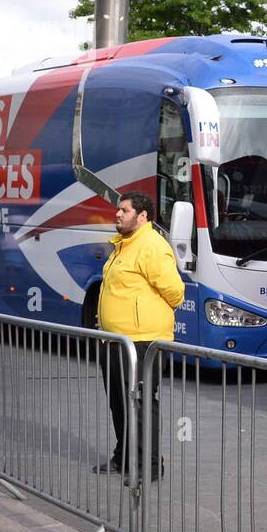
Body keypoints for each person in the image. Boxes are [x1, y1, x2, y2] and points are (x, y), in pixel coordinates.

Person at [93, 191, 185, 481]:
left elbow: (176, 292)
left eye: (125, 210)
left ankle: (149, 466)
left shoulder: (152, 246)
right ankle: (124, 457)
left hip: (143, 342)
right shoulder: (124, 245)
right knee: (119, 403)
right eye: (118, 210)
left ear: (142, 216)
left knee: (142, 403)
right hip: (117, 341)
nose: (118, 214)